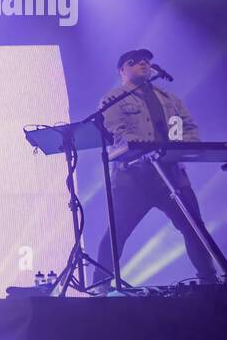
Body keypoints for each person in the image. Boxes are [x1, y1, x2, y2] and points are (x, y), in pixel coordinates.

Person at [94, 49, 221, 287]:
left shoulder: (170, 99)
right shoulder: (113, 99)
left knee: (194, 228)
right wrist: (145, 151)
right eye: (135, 62)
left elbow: (187, 127)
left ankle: (209, 281)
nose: (144, 64)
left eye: (147, 61)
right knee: (116, 234)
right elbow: (118, 130)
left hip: (172, 176)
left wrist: (183, 149)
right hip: (132, 178)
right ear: (122, 70)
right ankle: (100, 285)